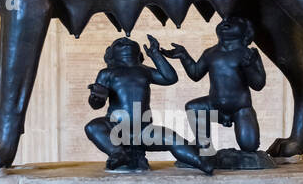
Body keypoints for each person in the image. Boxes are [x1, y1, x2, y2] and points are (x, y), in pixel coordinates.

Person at [85, 34, 213, 173]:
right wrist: (96, 98)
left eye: (128, 41)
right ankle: (118, 153)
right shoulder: (107, 73)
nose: (125, 40)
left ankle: (201, 162)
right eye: (119, 42)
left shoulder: (144, 70)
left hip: (144, 130)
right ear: (111, 54)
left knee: (172, 138)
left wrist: (156, 54)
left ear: (138, 53)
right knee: (93, 127)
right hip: (116, 128)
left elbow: (170, 78)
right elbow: (97, 104)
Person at [162, 16, 266, 153]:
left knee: (249, 147)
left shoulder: (248, 53)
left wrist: (249, 66)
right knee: (193, 107)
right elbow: (195, 74)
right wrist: (184, 56)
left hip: (240, 108)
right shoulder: (210, 53)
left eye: (234, 21)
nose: (225, 23)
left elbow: (258, 85)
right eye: (222, 21)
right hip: (214, 105)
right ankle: (204, 147)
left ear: (246, 31)